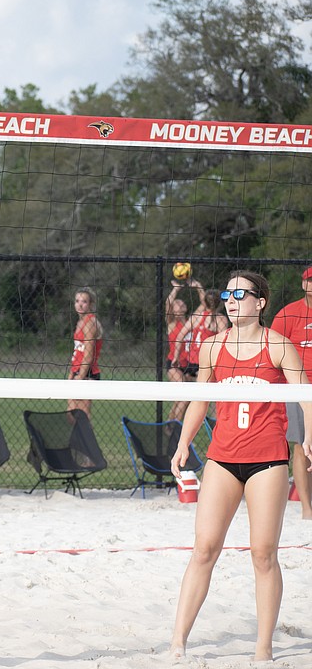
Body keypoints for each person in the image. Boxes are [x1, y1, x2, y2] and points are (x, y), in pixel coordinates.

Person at [169, 271, 312, 663]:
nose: (230, 300)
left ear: (260, 302)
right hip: (222, 459)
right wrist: (183, 442)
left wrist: (310, 436)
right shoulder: (213, 348)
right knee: (204, 550)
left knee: (263, 554)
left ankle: (263, 649)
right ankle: (178, 642)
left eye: (240, 294)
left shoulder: (278, 346)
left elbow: (305, 397)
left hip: (267, 460)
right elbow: (200, 399)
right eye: (227, 294)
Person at [269, 265, 312, 520]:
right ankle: (307, 508)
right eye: (309, 280)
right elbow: (274, 349)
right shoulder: (288, 315)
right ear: (303, 284)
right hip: (297, 388)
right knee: (301, 446)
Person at [67, 287, 103, 419]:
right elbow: (78, 351)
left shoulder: (90, 323)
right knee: (71, 415)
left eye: (84, 301)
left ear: (91, 304)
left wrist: (80, 376)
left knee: (82, 416)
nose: (80, 304)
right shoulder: (80, 322)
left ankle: (87, 440)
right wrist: (72, 373)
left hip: (88, 372)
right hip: (77, 370)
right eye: (77, 301)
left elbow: (88, 354)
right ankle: (79, 440)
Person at [165, 281, 194, 421]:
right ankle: (175, 426)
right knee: (183, 394)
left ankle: (172, 422)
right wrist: (175, 290)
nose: (179, 304)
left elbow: (205, 307)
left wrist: (199, 288)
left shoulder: (190, 322)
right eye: (176, 303)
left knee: (182, 399)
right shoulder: (171, 323)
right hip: (174, 364)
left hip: (189, 364)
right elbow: (167, 304)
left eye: (182, 303)